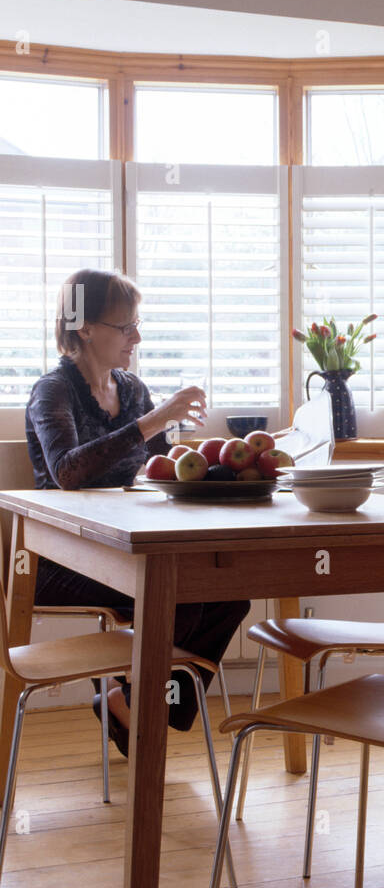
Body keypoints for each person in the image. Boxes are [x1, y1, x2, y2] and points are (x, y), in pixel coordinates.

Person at [25, 268, 250, 756]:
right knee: (182, 595)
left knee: (230, 594)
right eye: (126, 327)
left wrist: (222, 467)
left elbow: (159, 468)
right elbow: (67, 472)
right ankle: (133, 705)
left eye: (137, 324)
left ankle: (129, 699)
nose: (137, 337)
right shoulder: (54, 391)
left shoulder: (130, 389)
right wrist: (154, 420)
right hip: (61, 556)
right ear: (84, 328)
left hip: (125, 547)